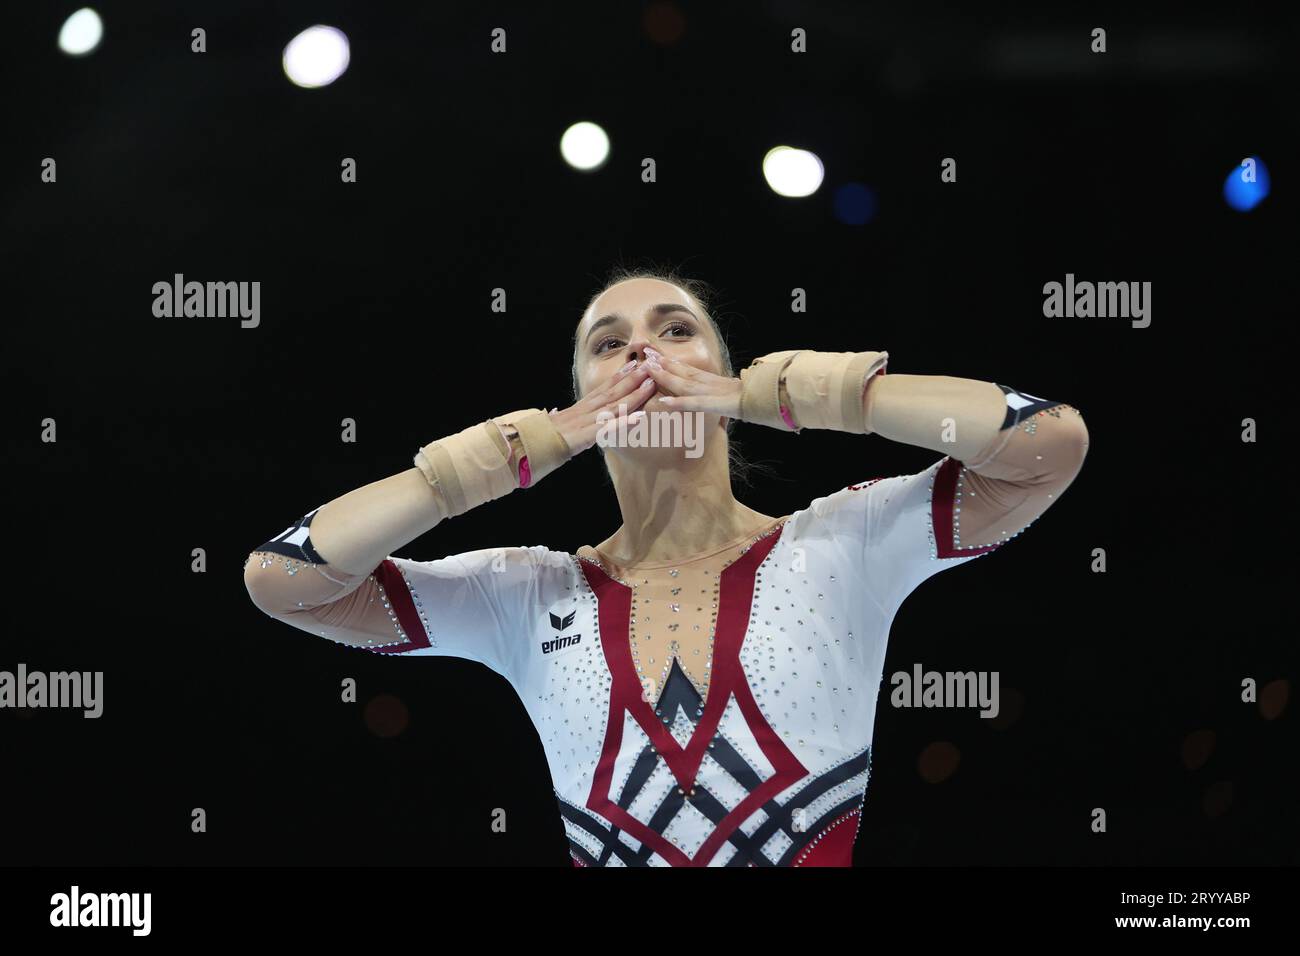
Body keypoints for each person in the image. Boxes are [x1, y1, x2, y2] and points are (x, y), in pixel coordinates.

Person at [243, 268, 1090, 866]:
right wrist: (504, 456)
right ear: (576, 398)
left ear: (727, 375)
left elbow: (1046, 443)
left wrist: (785, 392)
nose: (644, 355)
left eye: (676, 332)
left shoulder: (841, 545)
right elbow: (285, 578)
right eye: (609, 345)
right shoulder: (528, 595)